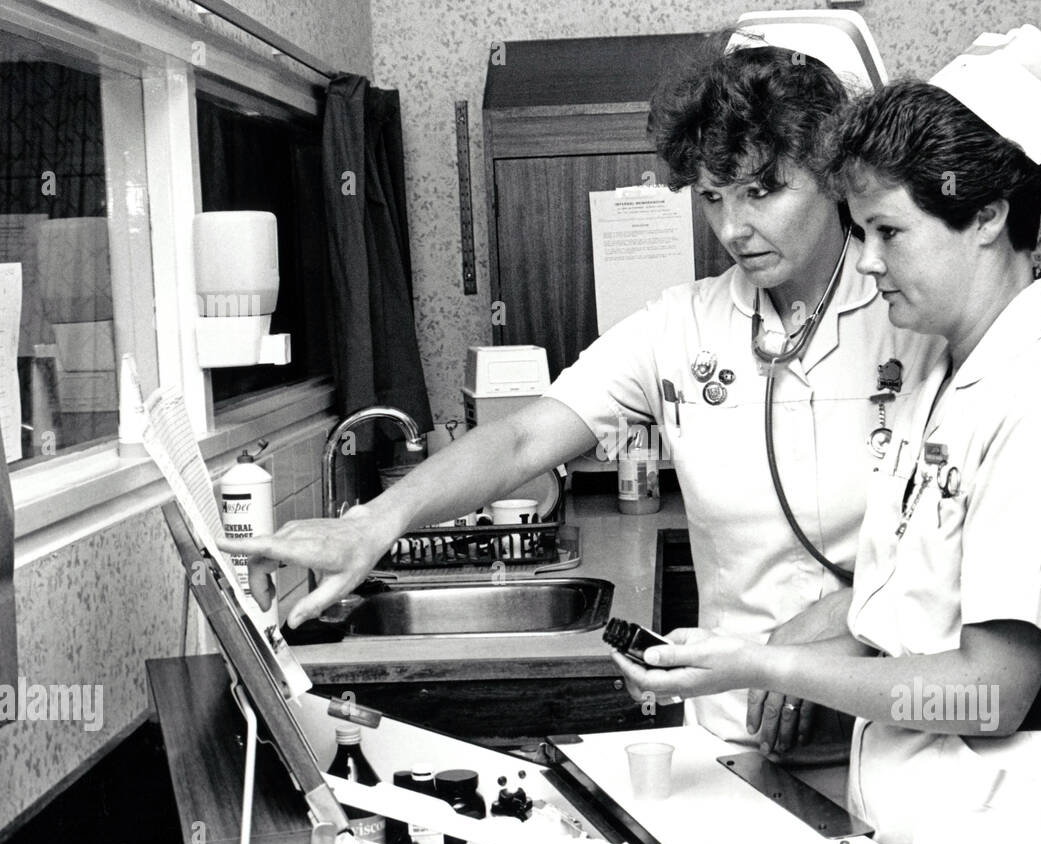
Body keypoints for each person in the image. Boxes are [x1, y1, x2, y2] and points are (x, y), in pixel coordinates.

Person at [224, 14, 945, 756]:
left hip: (899, 724)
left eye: (762, 190)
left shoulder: (917, 317)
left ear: (831, 177)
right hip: (738, 725)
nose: (733, 227)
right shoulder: (681, 327)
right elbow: (520, 438)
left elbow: (960, 548)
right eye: (711, 196)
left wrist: (822, 631)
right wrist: (376, 523)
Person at [614, 27, 1041, 844]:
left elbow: (988, 695)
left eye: (887, 233)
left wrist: (766, 665)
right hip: (920, 813)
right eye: (860, 231)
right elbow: (899, 594)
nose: (866, 264)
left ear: (985, 216)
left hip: (1009, 831)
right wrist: (726, 649)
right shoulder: (940, 375)